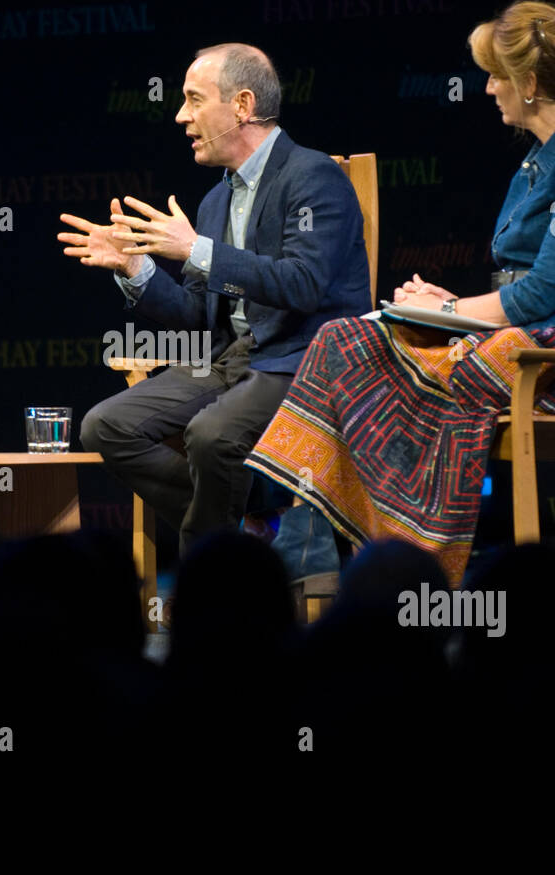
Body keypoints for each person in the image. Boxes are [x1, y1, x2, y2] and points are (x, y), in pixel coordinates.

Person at [247, 0, 555, 587]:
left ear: (530, 84)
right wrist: (440, 304)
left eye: (497, 75)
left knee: (455, 371)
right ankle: (316, 538)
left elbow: (540, 297)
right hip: (518, 338)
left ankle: (416, 559)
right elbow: (520, 291)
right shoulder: (538, 161)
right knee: (344, 339)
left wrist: (448, 311)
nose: (489, 88)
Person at [59, 43, 370, 554]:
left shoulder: (313, 176)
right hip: (231, 360)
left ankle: (215, 577)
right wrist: (136, 269)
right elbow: (198, 321)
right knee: (105, 427)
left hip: (302, 360)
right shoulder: (215, 200)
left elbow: (304, 284)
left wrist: (196, 250)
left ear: (242, 105)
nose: (181, 116)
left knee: (210, 436)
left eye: (194, 99)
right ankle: (245, 531)